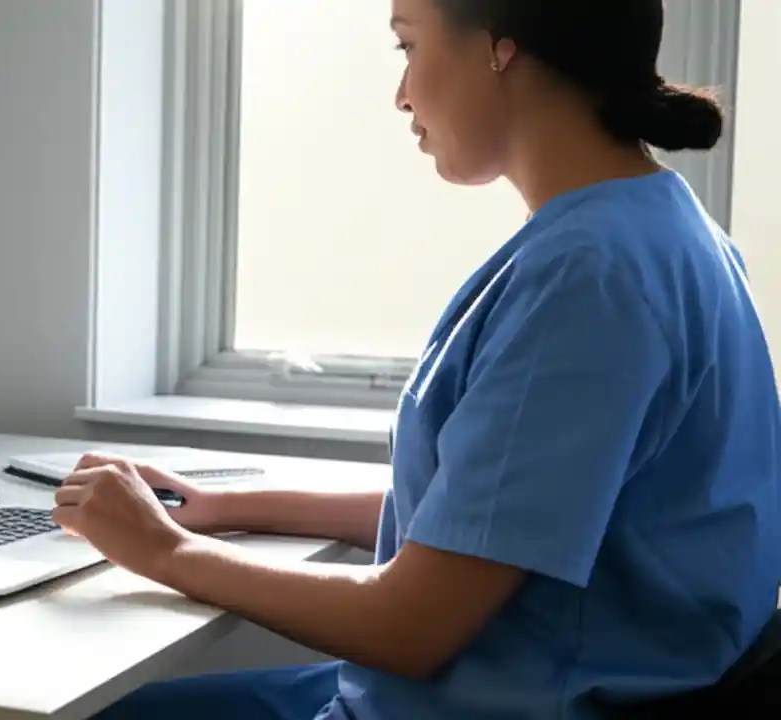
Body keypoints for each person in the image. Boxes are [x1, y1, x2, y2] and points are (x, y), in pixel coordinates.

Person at [52, 0, 781, 718]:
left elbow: (411, 626)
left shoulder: (587, 279)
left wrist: (162, 550)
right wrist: (228, 508)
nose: (401, 94)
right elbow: (486, 521)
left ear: (501, 46)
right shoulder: (665, 230)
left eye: (407, 46)